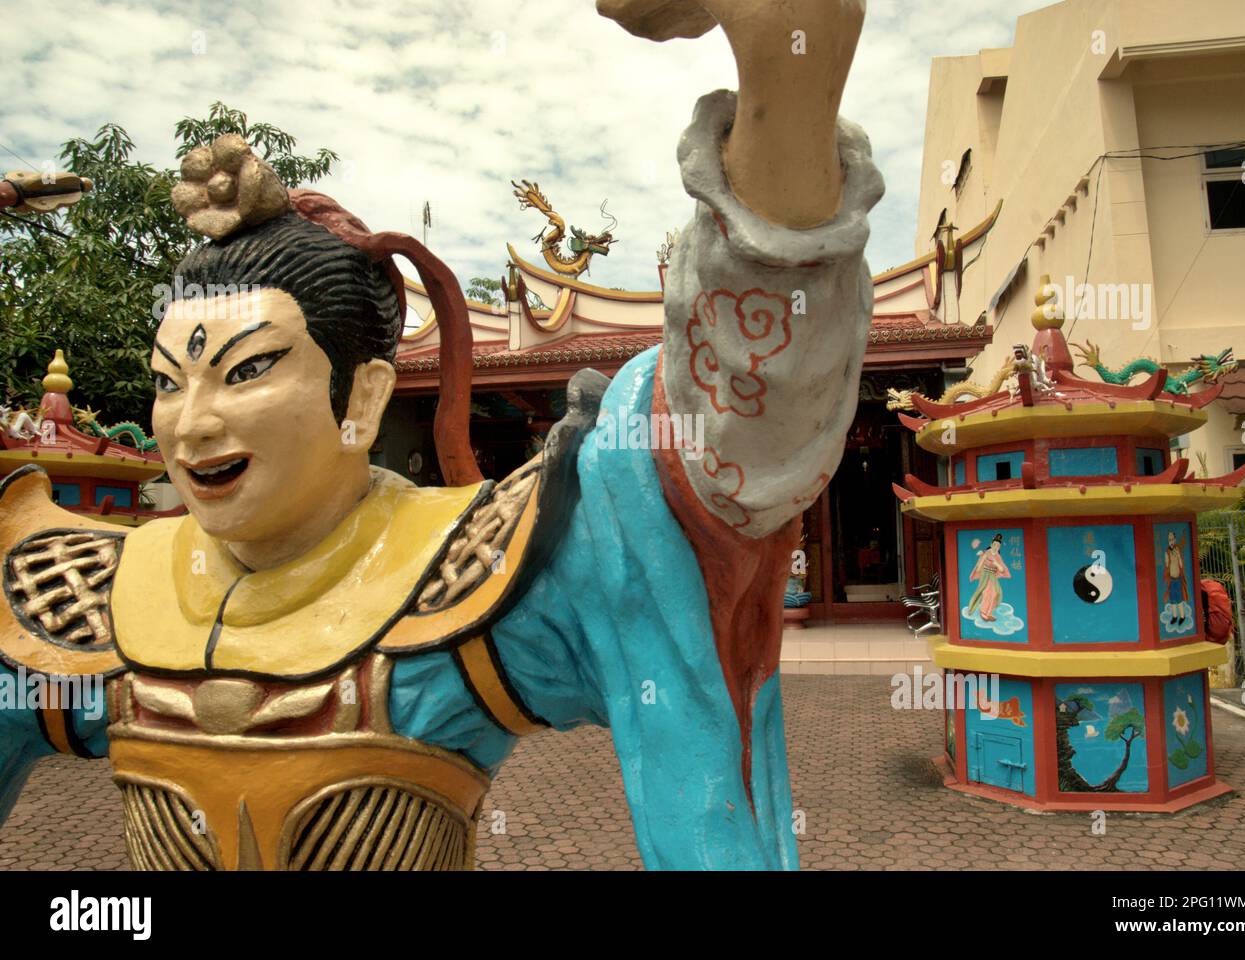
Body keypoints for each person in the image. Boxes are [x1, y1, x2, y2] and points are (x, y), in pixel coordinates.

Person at [0, 0, 883, 870]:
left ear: (365, 398)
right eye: (168, 383)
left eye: (247, 372)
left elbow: (720, 452)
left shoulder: (460, 591)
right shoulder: (86, 600)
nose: (191, 424)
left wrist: (788, 54)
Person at [965, 534, 1010, 623]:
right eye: (995, 544)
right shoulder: (986, 553)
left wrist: (996, 563)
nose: (996, 547)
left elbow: (1002, 569)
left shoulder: (997, 556)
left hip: (992, 576)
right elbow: (978, 568)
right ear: (991, 544)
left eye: (998, 545)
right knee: (985, 593)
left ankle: (988, 613)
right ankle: (983, 612)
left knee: (996, 593)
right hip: (985, 575)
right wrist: (982, 559)